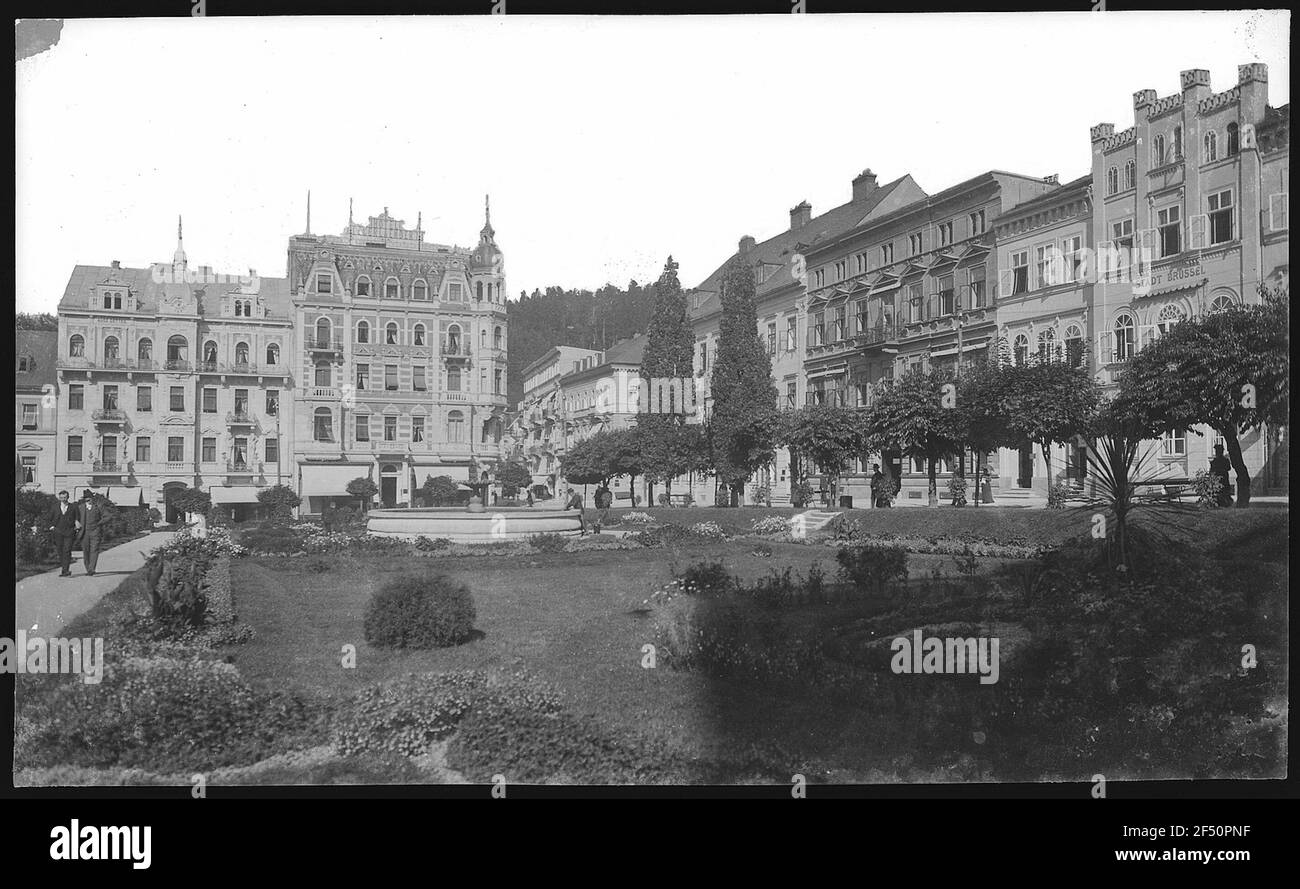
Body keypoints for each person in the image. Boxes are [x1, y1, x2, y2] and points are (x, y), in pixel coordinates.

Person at [45, 490, 80, 577]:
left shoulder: (73, 507)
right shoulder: (54, 507)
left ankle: (65, 570)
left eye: (65, 497)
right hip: (58, 532)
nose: (63, 499)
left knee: (67, 550)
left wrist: (76, 527)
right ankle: (64, 568)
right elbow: (48, 518)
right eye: (61, 498)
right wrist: (52, 527)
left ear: (68, 497)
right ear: (59, 498)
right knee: (60, 551)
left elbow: (78, 518)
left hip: (69, 532)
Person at [77, 491, 107, 576]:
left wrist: (100, 523)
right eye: (86, 499)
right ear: (84, 500)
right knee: (85, 551)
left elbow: (108, 516)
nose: (88, 500)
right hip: (84, 532)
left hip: (95, 531)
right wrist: (77, 523)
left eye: (89, 498)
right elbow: (75, 517)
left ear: (92, 498)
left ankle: (92, 569)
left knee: (94, 550)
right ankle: (88, 568)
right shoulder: (80, 508)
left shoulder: (98, 506)